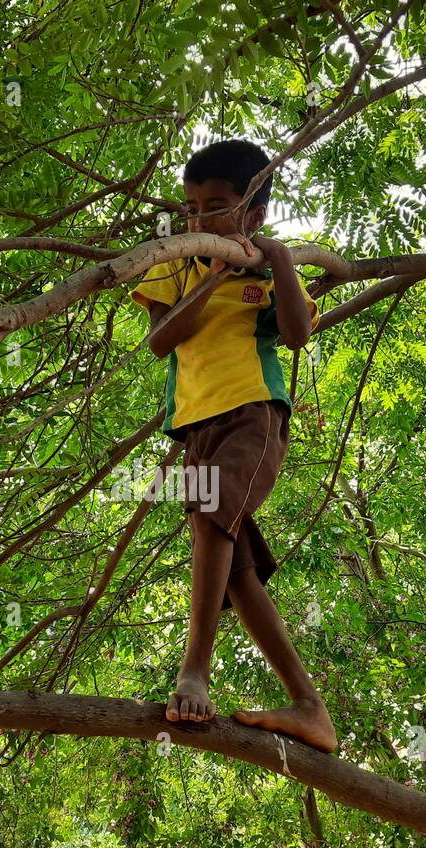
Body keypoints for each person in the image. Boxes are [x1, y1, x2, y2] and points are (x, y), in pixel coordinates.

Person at [131, 138, 338, 753]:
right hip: (197, 428)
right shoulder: (176, 261)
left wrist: (278, 262)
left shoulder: (268, 268)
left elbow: (298, 334)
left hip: (253, 413)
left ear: (253, 213)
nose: (200, 219)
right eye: (192, 208)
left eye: (216, 206)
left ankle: (195, 668)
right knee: (239, 573)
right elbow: (161, 339)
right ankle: (309, 705)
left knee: (211, 524)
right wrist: (212, 272)